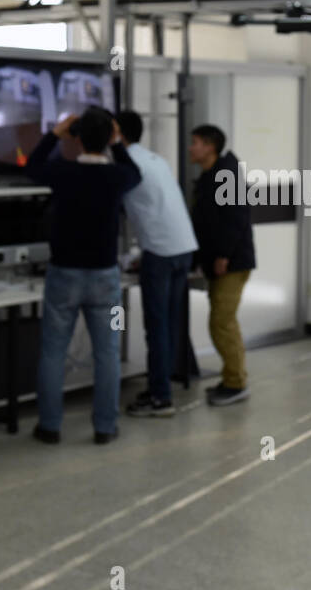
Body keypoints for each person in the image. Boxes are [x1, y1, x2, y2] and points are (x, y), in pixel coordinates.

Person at [25, 106, 141, 443]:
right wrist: (117, 143)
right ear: (109, 139)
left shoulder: (62, 172)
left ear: (76, 138)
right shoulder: (117, 176)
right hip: (105, 277)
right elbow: (135, 174)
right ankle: (105, 427)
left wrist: (53, 134)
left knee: (52, 352)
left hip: (63, 274)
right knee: (107, 354)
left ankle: (49, 426)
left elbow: (32, 166)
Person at [116, 111, 199, 419]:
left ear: (118, 134)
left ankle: (160, 397)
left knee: (157, 327)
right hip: (182, 248)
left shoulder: (126, 164)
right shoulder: (155, 159)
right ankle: (164, 386)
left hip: (161, 253)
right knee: (169, 324)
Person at [189, 124, 256, 405]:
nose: (191, 148)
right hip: (219, 261)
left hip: (231, 263)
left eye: (195, 143)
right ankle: (233, 378)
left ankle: (236, 383)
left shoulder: (226, 174)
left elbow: (237, 217)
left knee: (222, 322)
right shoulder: (210, 175)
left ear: (210, 147)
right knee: (224, 322)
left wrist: (223, 256)